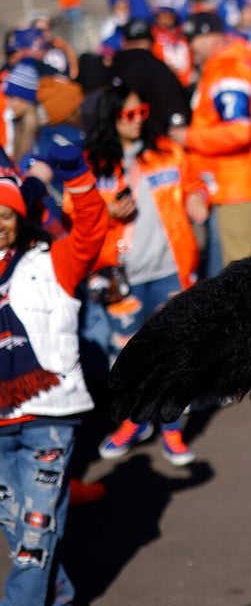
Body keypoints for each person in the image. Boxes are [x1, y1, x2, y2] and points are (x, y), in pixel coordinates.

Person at [0, 149, 107, 606]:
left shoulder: (54, 260)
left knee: (34, 531)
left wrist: (79, 176)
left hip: (50, 416)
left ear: (21, 219)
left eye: (6, 215)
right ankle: (59, 593)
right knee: (16, 525)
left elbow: (92, 229)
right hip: (1, 424)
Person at [85, 85, 209, 466]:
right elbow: (74, 217)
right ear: (110, 118)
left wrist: (197, 196)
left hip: (170, 271)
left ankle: (171, 427)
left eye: (142, 113)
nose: (137, 121)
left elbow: (194, 183)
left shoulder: (169, 152)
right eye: (128, 115)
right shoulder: (91, 163)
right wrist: (107, 216)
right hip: (118, 277)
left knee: (174, 353)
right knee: (124, 354)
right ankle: (135, 421)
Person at [171, 12, 251, 275]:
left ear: (212, 37)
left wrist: (188, 138)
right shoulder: (225, 66)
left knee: (244, 278)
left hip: (240, 186)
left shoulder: (227, 69)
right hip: (239, 182)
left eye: (195, 38)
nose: (191, 45)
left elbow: (238, 131)